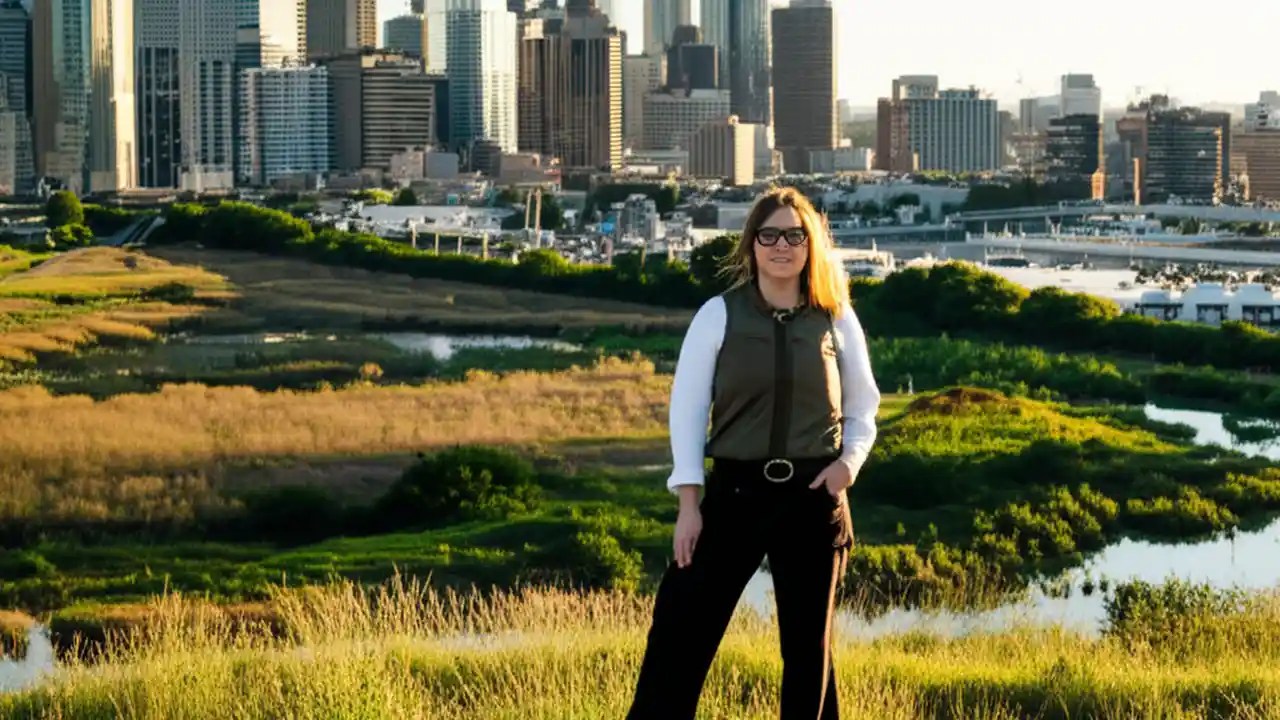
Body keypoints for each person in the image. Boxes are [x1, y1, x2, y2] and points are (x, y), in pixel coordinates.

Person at [626, 187, 881, 720]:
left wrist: (845, 468)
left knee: (809, 654)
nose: (781, 246)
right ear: (752, 245)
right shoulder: (718, 315)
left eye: (794, 235)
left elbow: (864, 407)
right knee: (680, 634)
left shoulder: (836, 318)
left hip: (814, 497)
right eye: (769, 235)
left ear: (811, 245)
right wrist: (688, 506)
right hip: (735, 494)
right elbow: (688, 412)